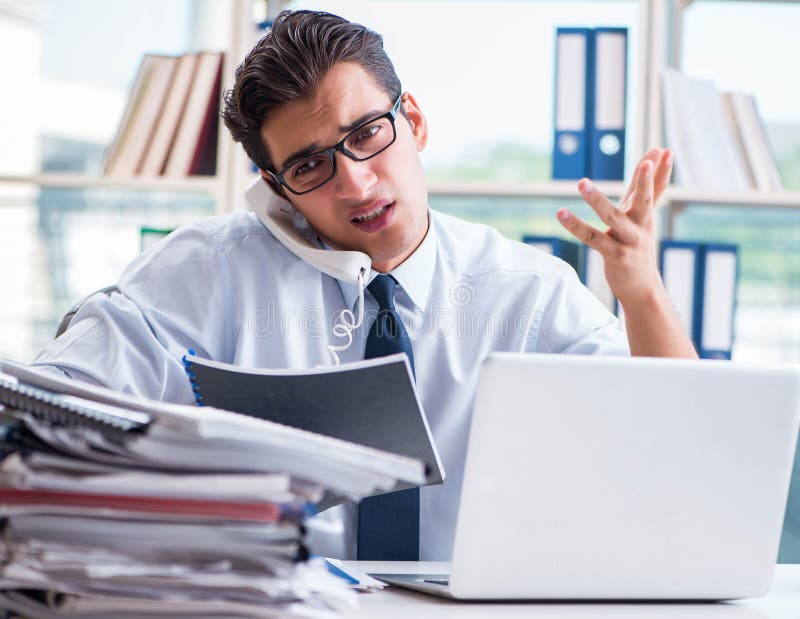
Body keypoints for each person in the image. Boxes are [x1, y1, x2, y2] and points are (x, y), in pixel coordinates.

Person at [33, 10, 696, 560]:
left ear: (413, 118)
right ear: (275, 187)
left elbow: (679, 447)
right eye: (309, 165)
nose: (355, 182)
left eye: (367, 134)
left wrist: (640, 290)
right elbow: (43, 411)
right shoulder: (205, 273)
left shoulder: (529, 294)